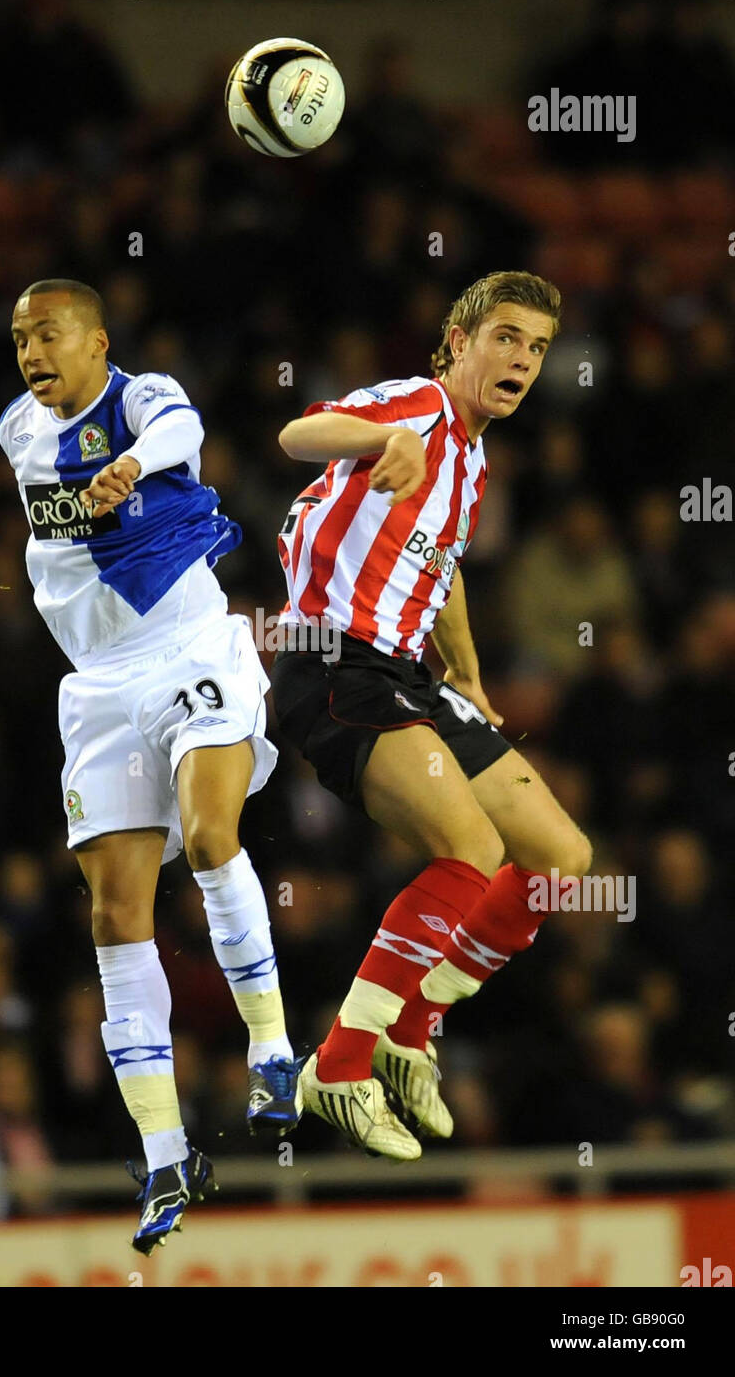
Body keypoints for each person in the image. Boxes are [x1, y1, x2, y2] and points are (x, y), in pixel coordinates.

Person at [0, 279, 301, 1253]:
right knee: (114, 915)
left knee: (212, 835)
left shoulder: (142, 396)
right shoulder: (16, 428)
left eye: (48, 335)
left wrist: (128, 467)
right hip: (96, 686)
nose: (31, 353)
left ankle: (270, 1048)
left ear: (96, 341)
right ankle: (167, 1153)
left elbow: (182, 428)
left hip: (190, 649)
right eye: (18, 339)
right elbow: (59, 526)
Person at [271, 271, 593, 1159]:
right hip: (335, 660)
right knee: (472, 851)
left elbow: (440, 566)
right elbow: (300, 431)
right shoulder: (414, 404)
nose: (522, 359)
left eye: (535, 347)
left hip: (413, 672)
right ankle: (337, 1068)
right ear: (459, 343)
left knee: (560, 857)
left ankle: (413, 1029)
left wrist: (471, 675)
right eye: (506, 338)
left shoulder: (475, 458)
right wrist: (379, 441)